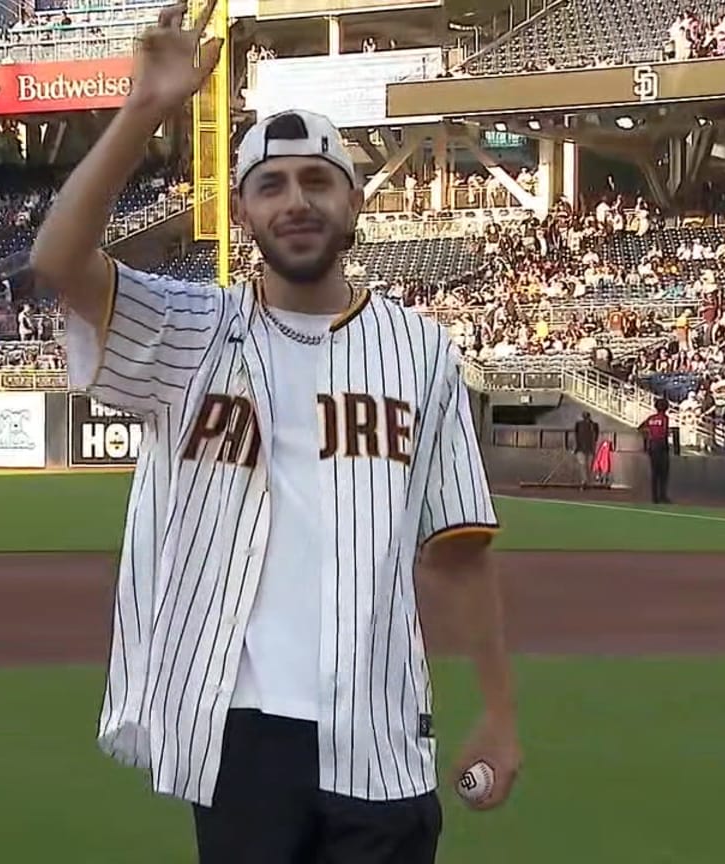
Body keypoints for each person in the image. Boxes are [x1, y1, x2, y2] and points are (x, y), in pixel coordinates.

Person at [28, 3, 521, 861]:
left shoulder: (420, 350)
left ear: (354, 201)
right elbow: (59, 264)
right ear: (245, 215)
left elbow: (457, 552)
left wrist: (500, 713)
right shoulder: (188, 331)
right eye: (271, 185)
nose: (296, 201)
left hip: (381, 727)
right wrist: (144, 110)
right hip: (241, 727)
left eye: (317, 181)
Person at [640, 397, 672, 503]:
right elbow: (665, 432)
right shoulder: (664, 418)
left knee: (654, 472)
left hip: (652, 445)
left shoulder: (651, 418)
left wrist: (648, 435)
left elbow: (640, 427)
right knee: (663, 472)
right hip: (662, 445)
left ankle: (654, 497)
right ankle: (662, 495)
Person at [572, 411, 599, 488]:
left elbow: (595, 437)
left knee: (585, 465)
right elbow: (576, 436)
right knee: (584, 465)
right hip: (583, 448)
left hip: (586, 448)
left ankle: (586, 481)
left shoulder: (593, 425)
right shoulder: (590, 425)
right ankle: (585, 481)